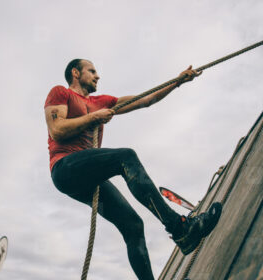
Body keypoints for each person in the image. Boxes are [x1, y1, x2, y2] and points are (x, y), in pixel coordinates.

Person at [44, 59, 222, 280]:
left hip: (88, 177)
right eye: (92, 71)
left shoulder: (103, 101)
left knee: (133, 225)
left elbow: (145, 100)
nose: (98, 76)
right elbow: (57, 130)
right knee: (125, 157)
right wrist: (93, 117)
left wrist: (177, 82)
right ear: (75, 73)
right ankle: (180, 228)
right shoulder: (60, 93)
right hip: (65, 168)